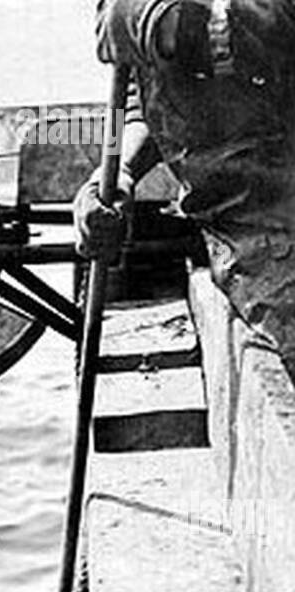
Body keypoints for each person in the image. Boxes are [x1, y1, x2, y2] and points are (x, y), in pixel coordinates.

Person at [74, 0, 295, 379]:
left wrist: (176, 24)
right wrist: (118, 174)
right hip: (250, 235)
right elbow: (143, 105)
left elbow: (264, 29)